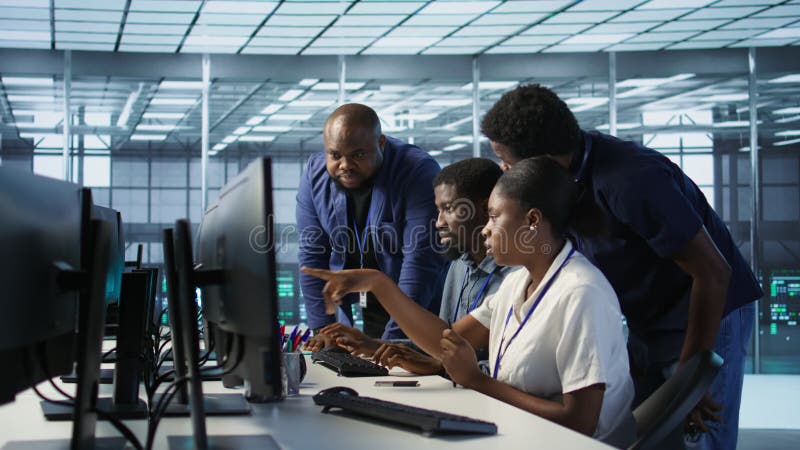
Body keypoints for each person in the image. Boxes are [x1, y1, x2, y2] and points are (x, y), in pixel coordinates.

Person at [481, 84, 763, 449]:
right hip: (650, 316)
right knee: (646, 435)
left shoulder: (630, 179)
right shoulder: (570, 178)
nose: (504, 170)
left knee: (696, 434)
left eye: (508, 161)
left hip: (707, 308)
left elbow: (713, 272)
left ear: (547, 159)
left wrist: (691, 379)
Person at [303, 158, 635, 447]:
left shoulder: (581, 292)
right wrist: (378, 284)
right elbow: (445, 340)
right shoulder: (519, 281)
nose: (486, 230)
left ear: (532, 221)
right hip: (521, 433)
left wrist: (476, 380)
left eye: (494, 217)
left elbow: (579, 423)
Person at [305, 158, 516, 376]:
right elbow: (441, 343)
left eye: (448, 209)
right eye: (438, 210)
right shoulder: (459, 266)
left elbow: (507, 369)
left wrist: (439, 367)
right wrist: (371, 344)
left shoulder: (515, 276)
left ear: (484, 210)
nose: (439, 222)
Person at [296, 103, 446, 339]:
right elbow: (312, 257)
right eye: (335, 155)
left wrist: (392, 344)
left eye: (358, 155)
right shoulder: (315, 174)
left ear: (381, 144)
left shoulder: (417, 171)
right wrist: (323, 331)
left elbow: (420, 261)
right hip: (368, 303)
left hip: (416, 305)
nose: (345, 165)